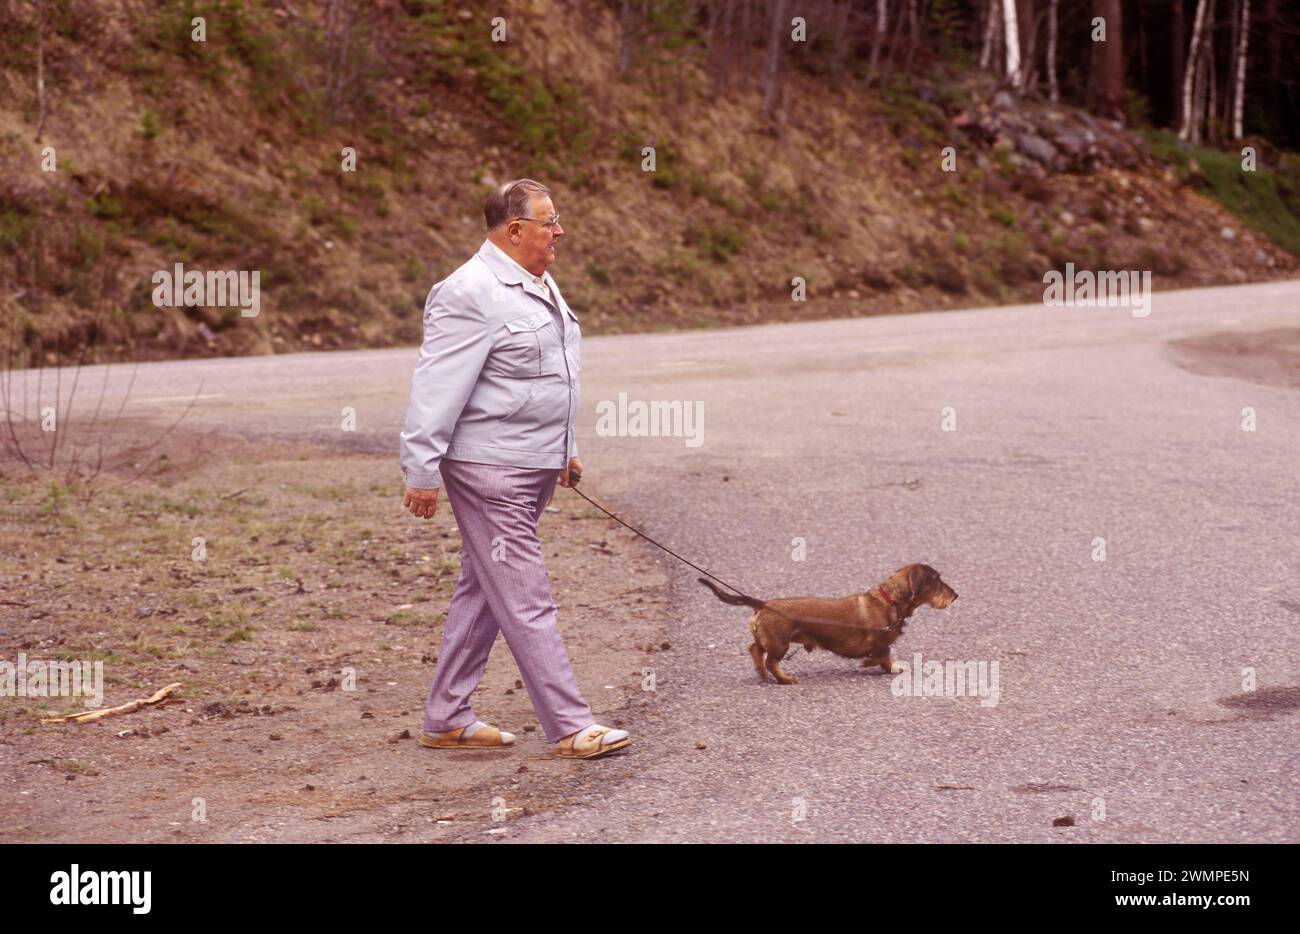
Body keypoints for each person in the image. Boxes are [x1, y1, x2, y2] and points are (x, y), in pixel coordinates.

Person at [399, 178, 630, 760]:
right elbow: (436, 387)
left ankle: (446, 715)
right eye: (550, 222)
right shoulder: (467, 292)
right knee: (526, 595)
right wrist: (421, 469)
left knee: (483, 588)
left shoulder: (538, 283)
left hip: (532, 462)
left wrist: (565, 448)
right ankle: (571, 726)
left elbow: (556, 377)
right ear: (514, 230)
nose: (560, 232)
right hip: (488, 467)